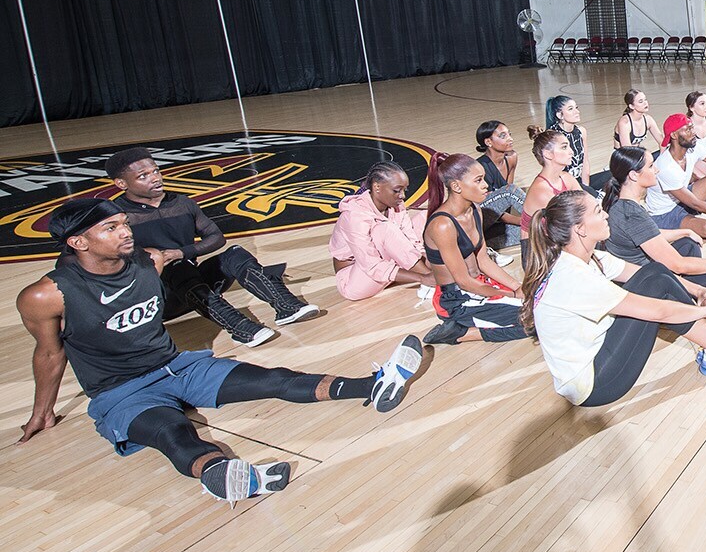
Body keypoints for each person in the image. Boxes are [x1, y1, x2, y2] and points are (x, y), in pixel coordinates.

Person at [16, 198, 421, 504]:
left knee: (275, 378)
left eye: (124, 223)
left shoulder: (148, 262)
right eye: (111, 227)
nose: (126, 232)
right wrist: (42, 411)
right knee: (172, 432)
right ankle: (226, 476)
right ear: (77, 242)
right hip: (121, 391)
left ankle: (373, 385)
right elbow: (50, 355)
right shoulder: (45, 295)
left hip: (178, 368)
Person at [519, 190, 706, 407]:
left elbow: (649, 274)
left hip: (596, 358)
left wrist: (698, 291)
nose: (606, 215)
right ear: (580, 229)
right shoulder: (573, 276)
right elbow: (658, 312)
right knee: (658, 287)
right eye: (598, 211)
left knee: (655, 273)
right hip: (594, 385)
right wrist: (702, 311)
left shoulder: (584, 257)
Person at [105, 147, 316, 348]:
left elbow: (216, 237)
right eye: (143, 176)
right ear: (121, 183)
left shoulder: (182, 203)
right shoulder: (116, 216)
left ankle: (287, 307)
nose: (155, 178)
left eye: (156, 171)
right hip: (157, 299)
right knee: (178, 267)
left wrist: (182, 252)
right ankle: (241, 329)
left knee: (235, 254)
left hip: (196, 288)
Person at [419, 153, 527, 347]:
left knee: (545, 307)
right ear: (456, 186)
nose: (486, 185)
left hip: (479, 286)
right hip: (456, 299)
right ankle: (459, 333)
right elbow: (464, 282)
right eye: (478, 180)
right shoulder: (442, 225)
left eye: (483, 178)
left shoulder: (475, 210)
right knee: (536, 321)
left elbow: (483, 261)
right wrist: (511, 295)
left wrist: (518, 287)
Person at [602, 146, 706, 295]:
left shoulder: (623, 203)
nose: (657, 170)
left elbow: (649, 234)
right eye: (651, 166)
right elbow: (677, 265)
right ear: (634, 175)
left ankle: (689, 289)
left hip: (650, 272)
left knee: (688, 242)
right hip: (644, 285)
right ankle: (692, 295)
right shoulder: (630, 213)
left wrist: (685, 232)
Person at [328, 161, 434, 302]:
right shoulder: (354, 216)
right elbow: (371, 265)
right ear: (377, 187)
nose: (402, 196)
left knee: (425, 217)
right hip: (357, 278)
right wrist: (424, 277)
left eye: (404, 190)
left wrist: (429, 259)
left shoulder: (397, 205)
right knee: (385, 229)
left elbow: (412, 242)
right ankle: (436, 281)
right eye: (397, 190)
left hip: (389, 264)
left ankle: (441, 271)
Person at [522, 128, 584, 254]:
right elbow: (563, 227)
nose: (571, 152)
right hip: (538, 251)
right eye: (564, 147)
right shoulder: (541, 190)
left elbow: (586, 204)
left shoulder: (566, 177)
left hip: (558, 239)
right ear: (548, 154)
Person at [545, 95, 611, 193]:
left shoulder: (581, 131)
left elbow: (585, 162)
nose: (577, 112)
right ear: (560, 115)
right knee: (596, 197)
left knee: (614, 175)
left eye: (576, 108)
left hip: (579, 182)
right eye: (570, 109)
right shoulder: (553, 135)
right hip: (564, 186)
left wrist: (586, 187)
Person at [475, 120, 526, 249]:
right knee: (510, 191)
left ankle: (484, 246)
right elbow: (491, 208)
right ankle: (543, 220)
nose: (510, 139)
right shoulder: (480, 167)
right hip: (480, 220)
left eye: (509, 134)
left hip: (497, 224)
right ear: (488, 142)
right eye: (503, 136)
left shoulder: (511, 158)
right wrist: (523, 221)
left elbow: (506, 202)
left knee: (537, 233)